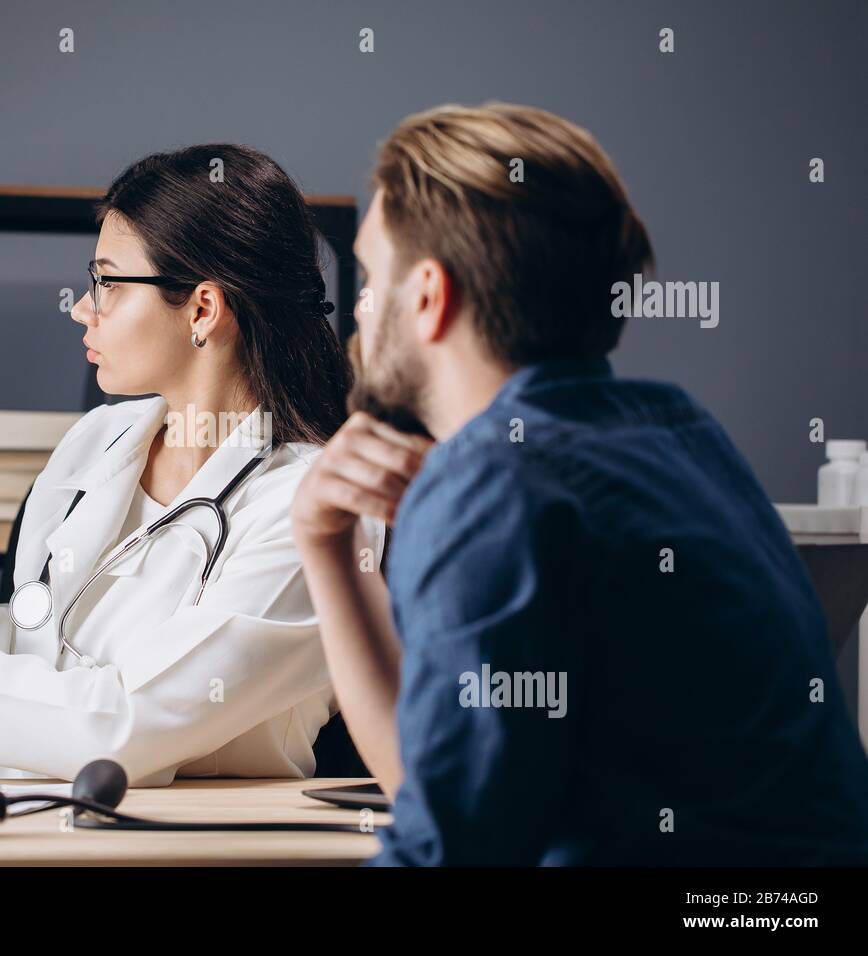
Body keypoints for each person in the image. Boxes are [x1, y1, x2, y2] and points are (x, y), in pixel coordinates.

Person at [290, 102, 868, 864]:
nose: (359, 311)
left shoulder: (492, 481)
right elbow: (443, 795)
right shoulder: (679, 433)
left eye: (370, 275)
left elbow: (448, 856)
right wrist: (323, 543)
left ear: (429, 297)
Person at [0, 144, 384, 786]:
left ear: (203, 308)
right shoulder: (98, 440)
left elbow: (126, 725)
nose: (82, 307)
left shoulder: (315, 509)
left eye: (108, 284)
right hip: (31, 830)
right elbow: (29, 664)